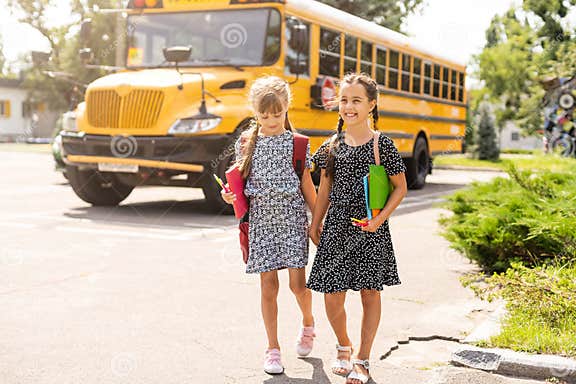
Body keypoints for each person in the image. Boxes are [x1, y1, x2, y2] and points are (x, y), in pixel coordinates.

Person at [308, 73, 408, 384]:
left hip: (370, 230)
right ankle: (343, 346)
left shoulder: (382, 144)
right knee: (332, 295)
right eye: (345, 100)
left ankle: (363, 360)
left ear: (371, 105)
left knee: (369, 294)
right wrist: (316, 220)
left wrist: (379, 220)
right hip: (336, 229)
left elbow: (400, 187)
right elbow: (324, 187)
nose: (349, 106)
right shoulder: (332, 144)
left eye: (356, 100)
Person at [220, 76, 317, 375]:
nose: (272, 120)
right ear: (255, 112)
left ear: (287, 107)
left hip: (292, 222)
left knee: (298, 286)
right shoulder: (246, 143)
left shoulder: (299, 144)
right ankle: (272, 348)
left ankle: (308, 323)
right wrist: (228, 196)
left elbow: (308, 186)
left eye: (277, 114)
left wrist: (318, 223)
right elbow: (238, 184)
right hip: (261, 224)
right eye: (265, 116)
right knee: (268, 286)